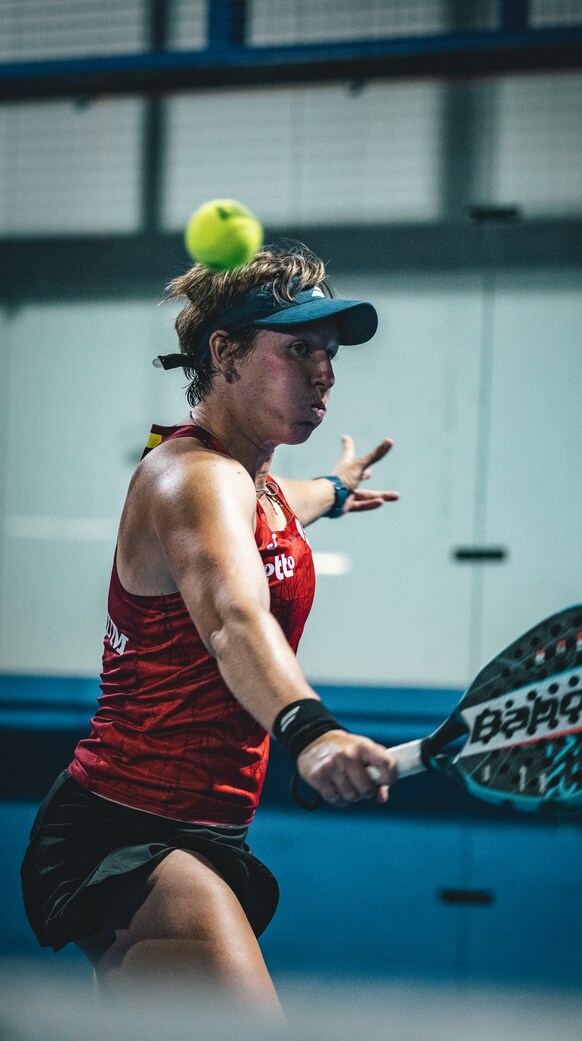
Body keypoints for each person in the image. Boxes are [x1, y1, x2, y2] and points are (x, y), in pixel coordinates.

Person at [20, 243, 400, 1018]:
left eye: (328, 354)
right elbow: (234, 617)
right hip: (125, 831)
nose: (324, 372)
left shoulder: (250, 482)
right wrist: (312, 730)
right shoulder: (189, 479)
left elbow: (276, 500)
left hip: (208, 827)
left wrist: (333, 487)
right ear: (223, 353)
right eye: (299, 350)